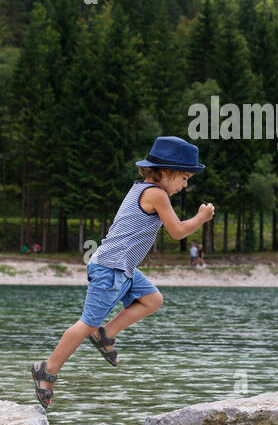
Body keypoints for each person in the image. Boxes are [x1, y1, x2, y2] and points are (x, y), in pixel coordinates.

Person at [31, 136, 214, 409]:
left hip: (123, 268)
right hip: (110, 268)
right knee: (86, 323)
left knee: (153, 300)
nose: (185, 185)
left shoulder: (143, 188)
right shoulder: (156, 194)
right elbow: (177, 232)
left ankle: (106, 333)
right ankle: (47, 369)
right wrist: (201, 217)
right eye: (184, 177)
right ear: (164, 172)